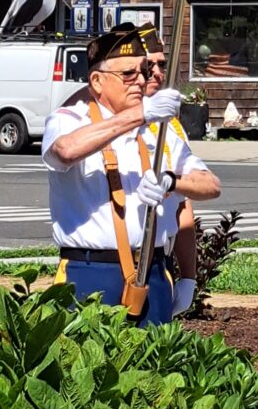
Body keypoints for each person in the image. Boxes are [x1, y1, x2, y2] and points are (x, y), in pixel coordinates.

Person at [43, 23, 220, 323]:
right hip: (90, 271)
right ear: (97, 81)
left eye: (144, 72)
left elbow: (210, 185)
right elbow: (66, 150)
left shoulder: (159, 130)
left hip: (152, 270)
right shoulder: (71, 118)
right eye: (128, 74)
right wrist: (141, 114)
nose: (140, 80)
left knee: (156, 367)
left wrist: (172, 182)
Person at [141, 33, 221, 312]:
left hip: (158, 261)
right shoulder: (107, 121)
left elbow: (184, 206)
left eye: (161, 66)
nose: (156, 74)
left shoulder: (170, 126)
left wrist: (188, 277)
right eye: (147, 66)